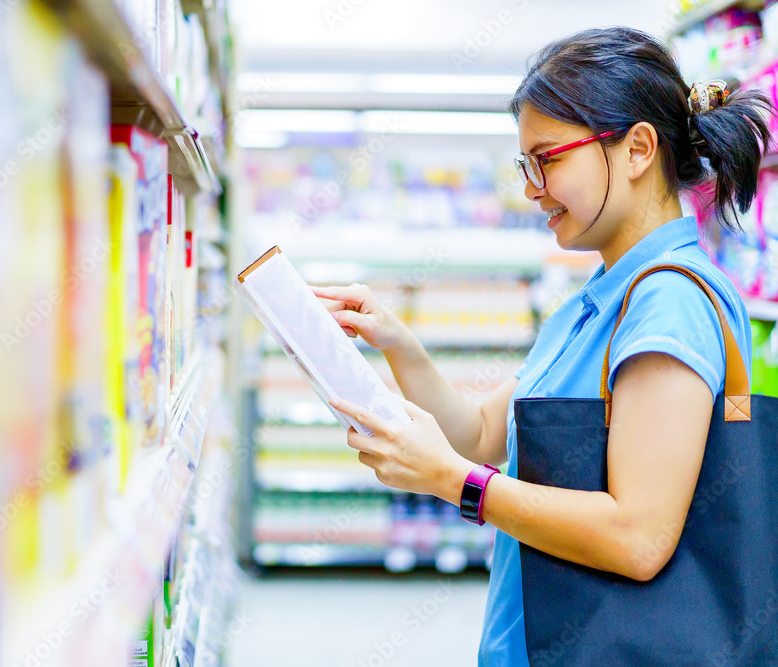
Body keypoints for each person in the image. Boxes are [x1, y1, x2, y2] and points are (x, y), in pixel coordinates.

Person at [313, 26, 773, 665]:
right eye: (525, 165)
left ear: (638, 148)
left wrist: (457, 484)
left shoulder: (668, 304)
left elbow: (638, 537)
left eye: (548, 159)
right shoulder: (605, 294)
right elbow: (477, 434)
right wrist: (395, 340)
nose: (531, 188)